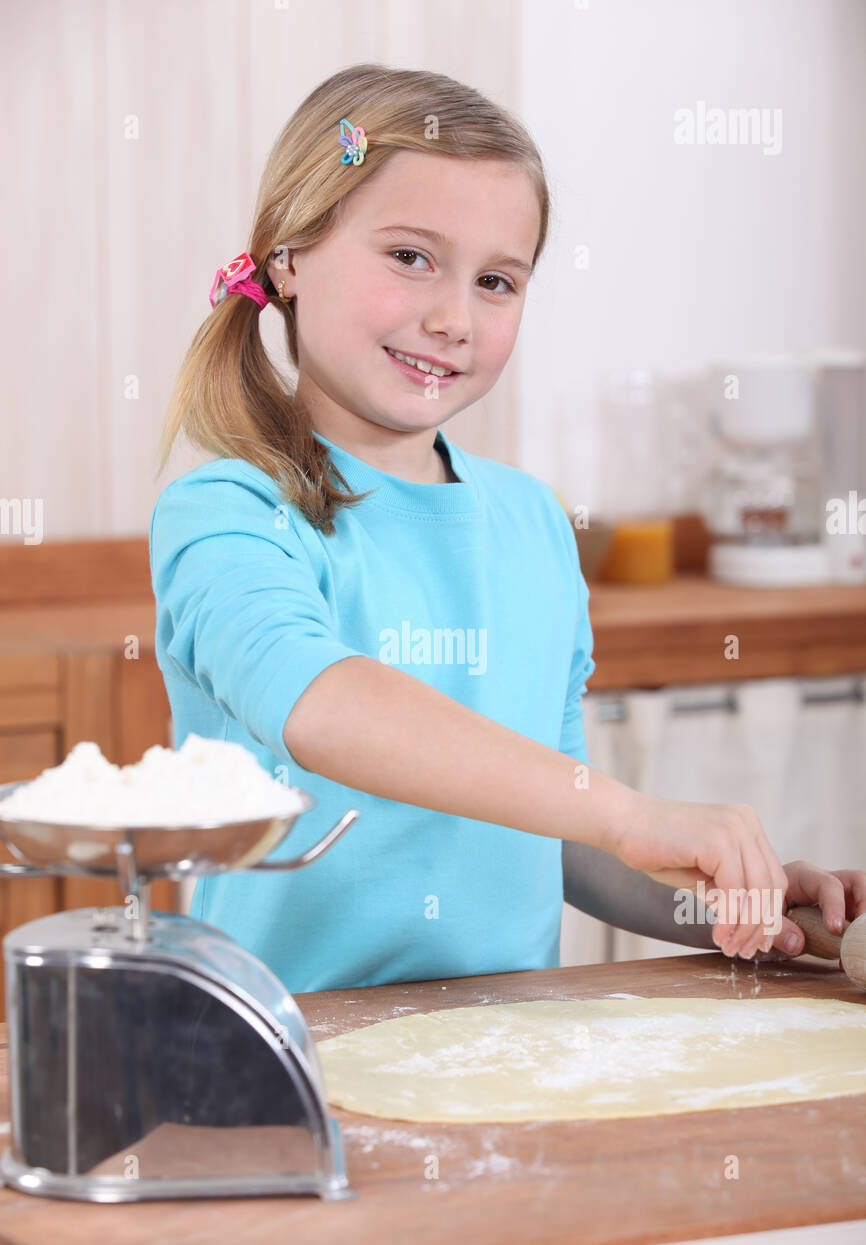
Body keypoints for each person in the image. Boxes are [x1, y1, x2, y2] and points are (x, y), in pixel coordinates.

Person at [151, 63, 864, 993]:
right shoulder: (227, 513)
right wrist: (627, 811)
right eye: (410, 257)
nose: (453, 318)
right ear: (289, 255)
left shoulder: (534, 522)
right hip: (285, 1056)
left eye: (497, 280)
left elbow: (560, 840)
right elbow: (323, 706)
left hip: (502, 1055)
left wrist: (738, 903)